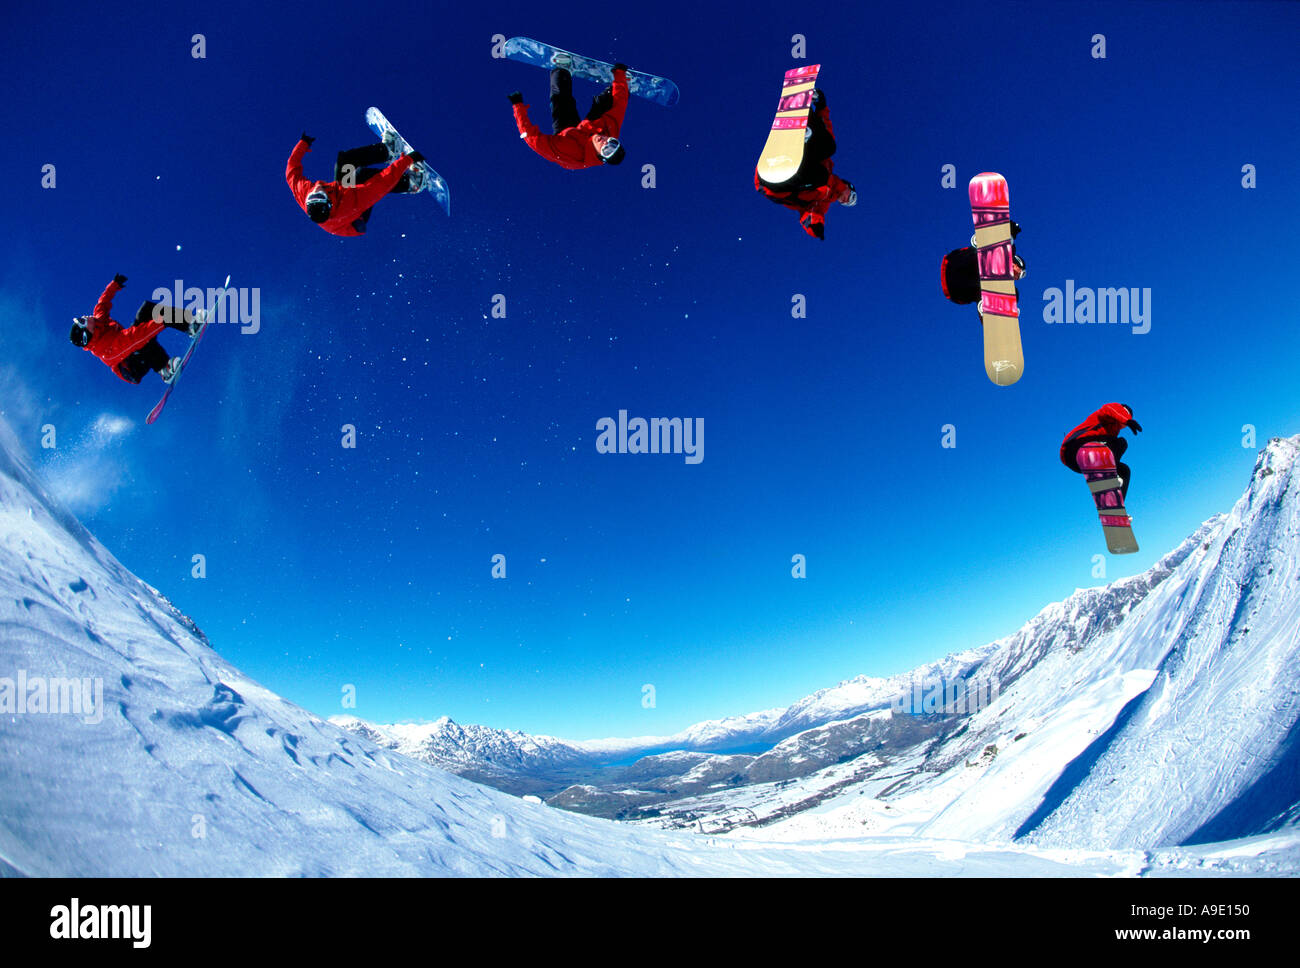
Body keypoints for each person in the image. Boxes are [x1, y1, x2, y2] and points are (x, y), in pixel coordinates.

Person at [754, 88, 856, 240]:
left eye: (846, 204)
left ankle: (797, 151)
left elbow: (811, 215)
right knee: (829, 147)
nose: (845, 201)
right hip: (788, 165)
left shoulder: (823, 201)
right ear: (849, 186)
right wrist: (821, 104)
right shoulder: (828, 169)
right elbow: (827, 130)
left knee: (821, 177)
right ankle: (801, 114)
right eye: (851, 198)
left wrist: (815, 227)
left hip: (775, 186)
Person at [69, 274, 199, 384]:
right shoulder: (106, 348)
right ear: (88, 333)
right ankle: (164, 367)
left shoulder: (98, 322)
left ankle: (189, 324)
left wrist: (114, 285)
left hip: (131, 346)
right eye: (82, 321)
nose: (84, 317)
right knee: (142, 342)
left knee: (146, 309)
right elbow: (135, 337)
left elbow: (102, 304)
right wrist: (163, 321)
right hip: (132, 368)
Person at [286, 132, 423, 236]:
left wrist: (303, 144)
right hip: (355, 219)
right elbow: (380, 185)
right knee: (364, 177)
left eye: (314, 196)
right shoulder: (349, 203)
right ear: (328, 203)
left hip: (342, 191)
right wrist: (407, 160)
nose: (318, 190)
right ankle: (411, 183)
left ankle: (387, 150)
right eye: (321, 195)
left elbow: (291, 171)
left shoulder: (304, 191)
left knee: (346, 161)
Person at [508, 63, 629, 169]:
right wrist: (620, 76)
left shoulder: (569, 152)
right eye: (612, 143)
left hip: (567, 133)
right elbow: (620, 104)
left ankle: (562, 70)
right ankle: (614, 88)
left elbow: (531, 138)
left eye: (606, 150)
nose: (605, 143)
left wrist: (517, 106)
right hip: (589, 128)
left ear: (600, 156)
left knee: (561, 99)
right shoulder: (608, 130)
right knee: (610, 104)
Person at [1060, 403, 1143, 499]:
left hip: (1078, 463)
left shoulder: (1113, 432)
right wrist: (1127, 420)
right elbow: (1108, 409)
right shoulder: (1108, 413)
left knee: (1124, 470)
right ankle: (1108, 475)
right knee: (1121, 442)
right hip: (1074, 447)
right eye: (1124, 413)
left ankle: (1114, 509)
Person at [941, 222, 1027, 308]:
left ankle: (989, 306)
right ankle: (983, 246)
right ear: (1014, 263)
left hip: (956, 291)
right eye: (1018, 272)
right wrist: (1012, 230)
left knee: (1011, 292)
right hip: (954, 265)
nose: (1016, 276)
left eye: (1018, 277)